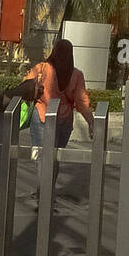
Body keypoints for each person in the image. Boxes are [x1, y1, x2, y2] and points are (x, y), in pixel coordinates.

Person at [25, 39, 96, 196]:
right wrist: (91, 121)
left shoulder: (41, 68)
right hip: (64, 120)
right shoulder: (77, 75)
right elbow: (81, 101)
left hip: (42, 116)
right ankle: (48, 191)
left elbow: (26, 86)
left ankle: (43, 193)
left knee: (42, 157)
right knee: (55, 158)